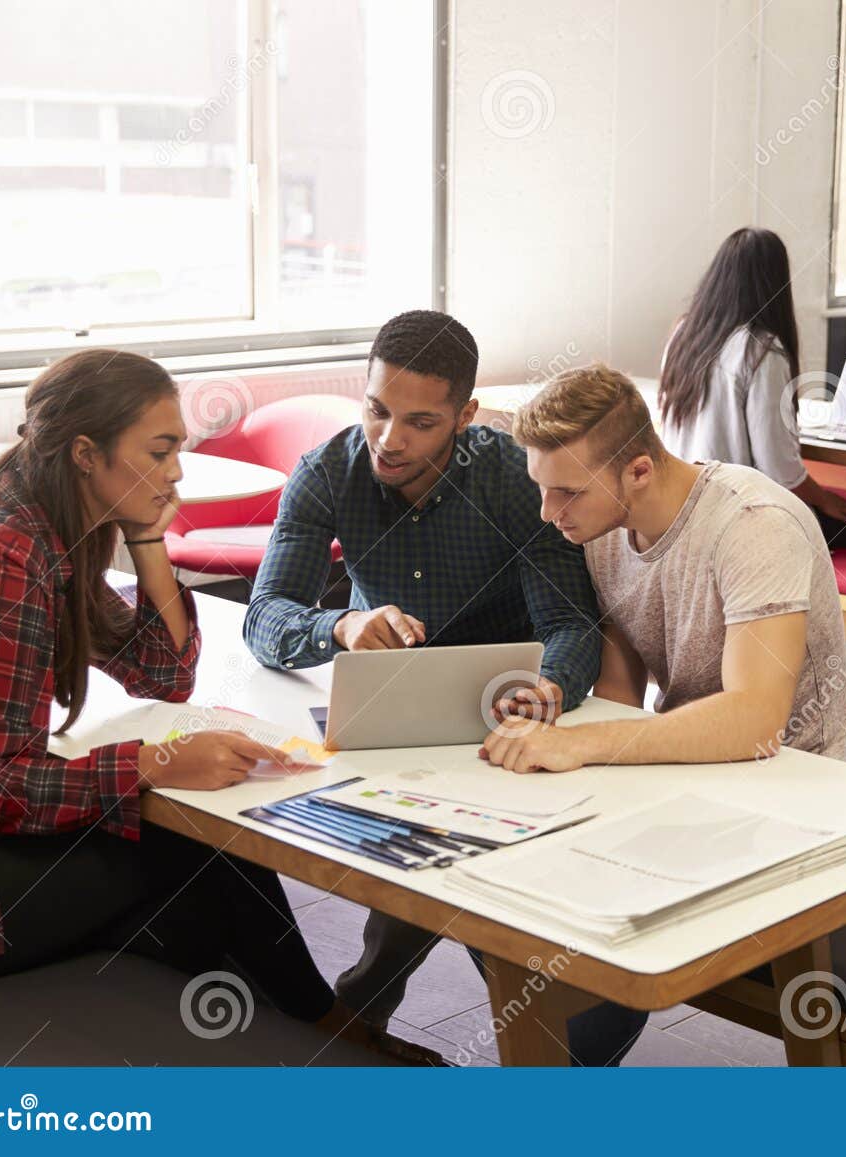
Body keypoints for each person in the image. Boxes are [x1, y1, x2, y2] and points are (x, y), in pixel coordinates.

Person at [0, 351, 384, 1053]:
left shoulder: (40, 523)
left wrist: (146, 538)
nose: (177, 470)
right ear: (87, 452)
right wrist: (154, 761)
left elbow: (164, 674)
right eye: (161, 450)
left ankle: (307, 1037)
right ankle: (332, 1037)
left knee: (188, 890)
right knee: (200, 855)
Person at [244, 310, 643, 1066]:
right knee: (440, 864)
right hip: (395, 719)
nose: (390, 438)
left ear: (465, 415)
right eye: (377, 409)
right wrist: (340, 627)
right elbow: (264, 616)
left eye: (420, 422)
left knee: (454, 868)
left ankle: (362, 1019)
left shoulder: (511, 477)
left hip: (504, 712)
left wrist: (548, 690)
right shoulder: (328, 470)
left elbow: (570, 625)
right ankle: (515, 1039)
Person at [484, 361, 846, 777]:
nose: (548, 514)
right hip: (678, 759)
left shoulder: (754, 524)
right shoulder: (602, 525)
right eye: (542, 487)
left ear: (639, 471)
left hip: (788, 773)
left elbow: (757, 720)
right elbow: (619, 692)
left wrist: (580, 742)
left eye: (568, 493)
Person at [659, 227, 846, 551]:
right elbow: (779, 469)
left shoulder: (685, 333)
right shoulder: (761, 350)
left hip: (678, 505)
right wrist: (824, 498)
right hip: (735, 516)